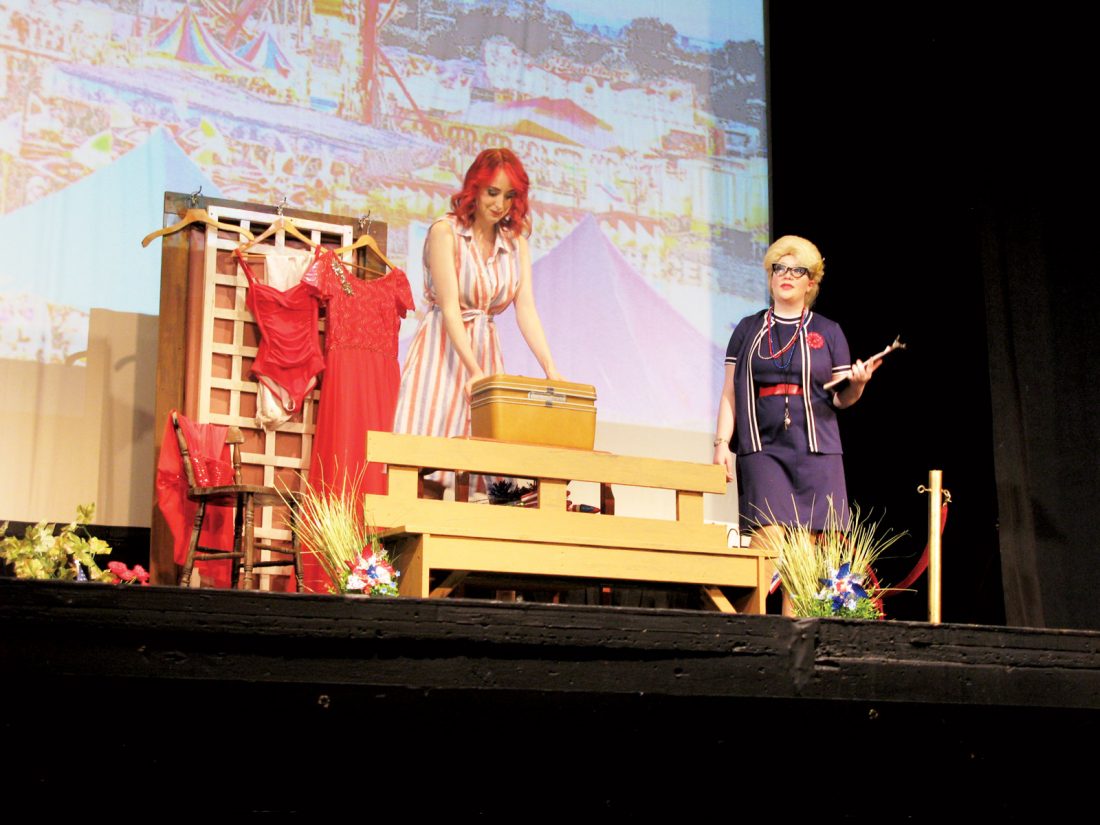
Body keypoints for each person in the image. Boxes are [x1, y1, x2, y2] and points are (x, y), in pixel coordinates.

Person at [394, 148, 561, 494]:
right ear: (475, 188)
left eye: (509, 195)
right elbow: (451, 308)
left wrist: (551, 369)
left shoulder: (515, 244)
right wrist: (473, 370)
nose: (500, 204)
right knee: (429, 464)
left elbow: (525, 308)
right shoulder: (446, 232)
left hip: (485, 351)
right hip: (442, 352)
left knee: (486, 473)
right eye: (492, 192)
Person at [713, 235, 877, 556]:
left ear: (811, 283)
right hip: (763, 447)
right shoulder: (748, 329)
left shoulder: (829, 332)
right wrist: (721, 443)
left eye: (797, 270)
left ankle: (792, 610)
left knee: (803, 551)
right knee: (769, 536)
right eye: (779, 268)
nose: (786, 275)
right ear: (770, 276)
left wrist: (857, 384)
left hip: (816, 449)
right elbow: (730, 391)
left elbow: (841, 398)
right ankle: (756, 608)